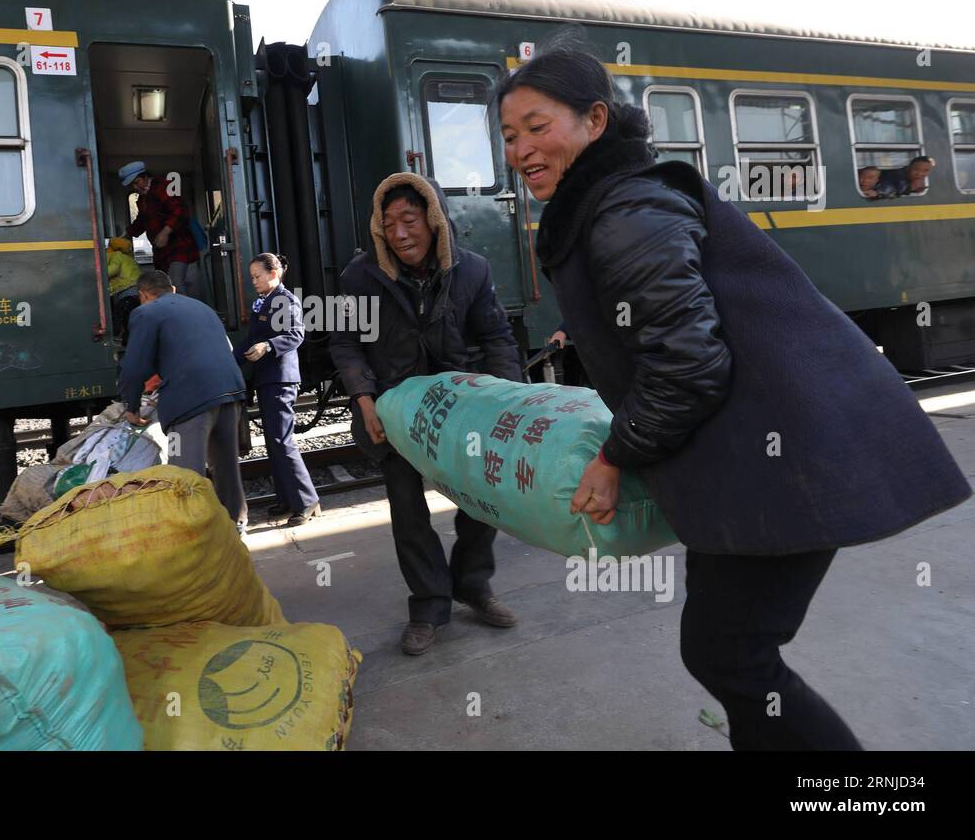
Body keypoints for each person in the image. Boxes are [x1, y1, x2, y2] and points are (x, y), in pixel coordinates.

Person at [496, 44, 971, 749]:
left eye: (539, 127)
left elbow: (688, 362)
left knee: (733, 654)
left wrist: (615, 455)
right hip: (760, 455)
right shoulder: (611, 199)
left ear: (595, 120)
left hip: (789, 456)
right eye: (509, 137)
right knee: (726, 650)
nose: (522, 150)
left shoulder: (624, 206)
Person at [330, 172, 523, 656]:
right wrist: (364, 398)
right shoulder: (358, 276)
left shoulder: (473, 270)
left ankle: (472, 584)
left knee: (481, 498)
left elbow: (497, 337)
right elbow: (343, 341)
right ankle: (429, 604)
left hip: (461, 409)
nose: (400, 234)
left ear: (434, 222)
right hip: (392, 409)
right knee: (408, 511)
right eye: (389, 223)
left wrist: (509, 400)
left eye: (410, 221)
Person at [118, 270, 248, 529]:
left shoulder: (145, 312)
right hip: (230, 391)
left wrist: (131, 406)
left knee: (185, 473)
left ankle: (193, 534)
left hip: (189, 400)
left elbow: (133, 367)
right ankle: (235, 525)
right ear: (173, 289)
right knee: (226, 466)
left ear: (143, 295)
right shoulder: (202, 307)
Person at [235, 254, 321, 527]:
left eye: (257, 276)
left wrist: (268, 346)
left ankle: (306, 502)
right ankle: (288, 499)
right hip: (268, 379)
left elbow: (296, 334)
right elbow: (250, 340)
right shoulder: (264, 302)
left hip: (281, 379)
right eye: (252, 277)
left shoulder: (284, 300)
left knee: (282, 441)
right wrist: (227, 361)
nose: (254, 281)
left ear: (274, 274)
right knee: (274, 441)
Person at [118, 161, 202, 296]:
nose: (135, 187)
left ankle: (183, 313)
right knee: (163, 285)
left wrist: (165, 232)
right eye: (132, 185)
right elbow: (142, 221)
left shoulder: (165, 187)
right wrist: (126, 235)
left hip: (179, 246)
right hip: (161, 251)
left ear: (145, 176)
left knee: (175, 283)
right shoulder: (143, 199)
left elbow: (180, 212)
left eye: (137, 182)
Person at [105, 237, 141, 343]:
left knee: (121, 313)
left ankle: (120, 335)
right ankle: (129, 337)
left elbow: (113, 270)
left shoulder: (116, 255)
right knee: (130, 316)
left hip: (126, 289)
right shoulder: (129, 257)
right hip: (137, 289)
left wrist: (98, 271)